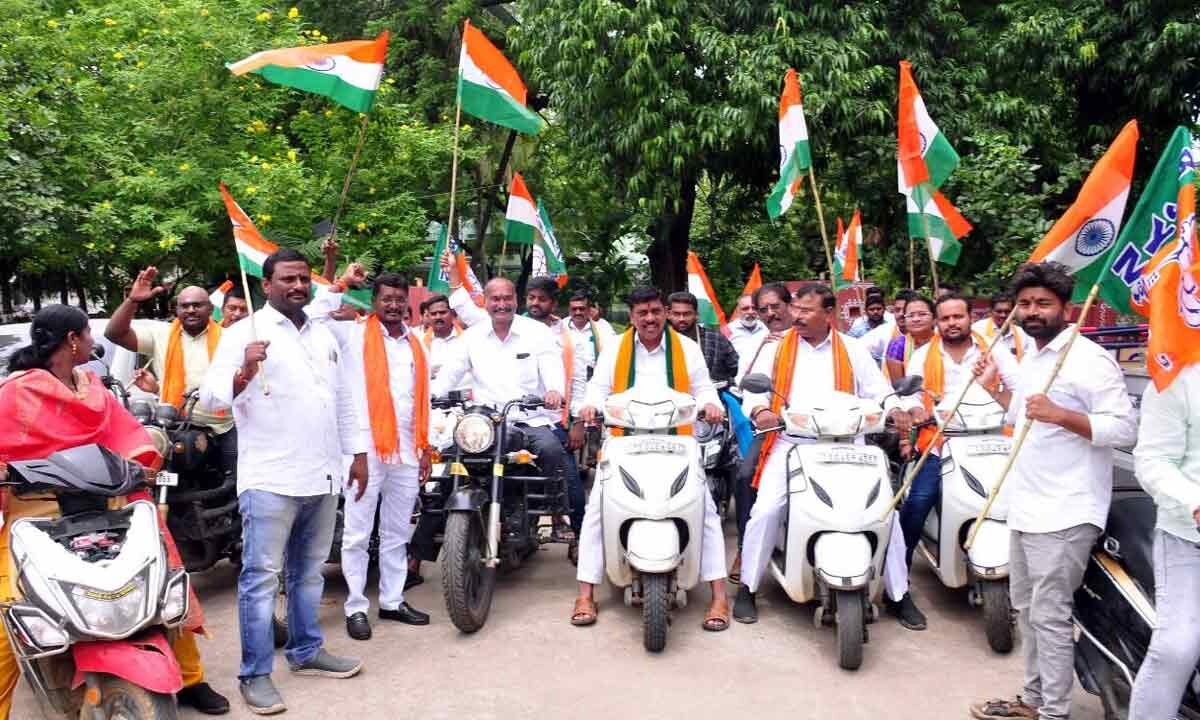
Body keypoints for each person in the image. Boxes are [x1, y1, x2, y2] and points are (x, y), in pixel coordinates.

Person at [0, 305, 228, 717]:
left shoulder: (92, 387)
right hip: (37, 511)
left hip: (105, 504)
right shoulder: (18, 391)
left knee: (164, 581)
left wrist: (143, 457)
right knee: (8, 611)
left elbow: (127, 432)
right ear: (73, 340)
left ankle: (192, 679)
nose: (92, 342)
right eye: (89, 335)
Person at [202, 248, 369, 715]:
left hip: (322, 472)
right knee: (260, 580)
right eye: (287, 280)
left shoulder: (324, 331)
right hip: (270, 478)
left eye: (303, 279)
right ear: (266, 285)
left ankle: (306, 651)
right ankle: (254, 674)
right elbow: (212, 397)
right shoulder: (243, 333)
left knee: (309, 573)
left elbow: (344, 399)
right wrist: (244, 371)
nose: (298, 286)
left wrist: (357, 454)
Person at [969, 262, 1136, 720]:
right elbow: (1023, 418)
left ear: (1066, 308)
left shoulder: (1088, 359)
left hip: (1067, 510)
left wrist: (1062, 414)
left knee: (1050, 615)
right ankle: (1034, 698)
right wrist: (995, 392)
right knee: (1027, 609)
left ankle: (1053, 713)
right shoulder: (1036, 359)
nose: (1032, 311)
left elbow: (1124, 428)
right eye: (1025, 304)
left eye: (1043, 303)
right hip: (1026, 506)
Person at [733, 283, 906, 623]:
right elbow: (754, 393)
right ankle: (748, 588)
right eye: (795, 309)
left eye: (805, 311)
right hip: (793, 442)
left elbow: (880, 391)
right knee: (766, 509)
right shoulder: (776, 348)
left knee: (887, 512)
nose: (795, 316)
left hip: (849, 445)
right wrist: (759, 412)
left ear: (829, 314)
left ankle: (900, 594)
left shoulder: (852, 349)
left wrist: (896, 409)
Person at [570, 286, 731, 631]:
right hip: (623, 441)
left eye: (656, 312)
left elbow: (703, 388)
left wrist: (711, 404)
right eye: (642, 313)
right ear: (631, 317)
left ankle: (719, 596)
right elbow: (598, 389)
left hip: (677, 442)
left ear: (666, 314)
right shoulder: (615, 348)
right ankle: (586, 592)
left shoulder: (687, 348)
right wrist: (589, 406)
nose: (650, 319)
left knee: (706, 510)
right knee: (597, 509)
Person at [307, 266, 434, 640]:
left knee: (397, 532)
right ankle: (357, 605)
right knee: (358, 533)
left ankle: (392, 601)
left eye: (399, 299)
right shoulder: (352, 334)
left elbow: (420, 399)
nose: (393, 305)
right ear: (374, 302)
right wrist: (341, 284)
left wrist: (425, 449)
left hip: (408, 450)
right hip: (364, 450)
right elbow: (313, 317)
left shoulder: (417, 343)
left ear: (407, 305)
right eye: (386, 299)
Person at [430, 277, 568, 540]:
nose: (502, 304)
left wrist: (553, 390)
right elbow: (450, 374)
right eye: (496, 299)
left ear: (516, 300)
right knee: (449, 461)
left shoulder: (537, 333)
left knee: (552, 452)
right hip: (485, 425)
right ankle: (438, 529)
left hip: (530, 420)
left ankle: (550, 513)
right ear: (486, 302)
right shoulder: (471, 337)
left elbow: (552, 366)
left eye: (507, 298)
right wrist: (430, 396)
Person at [891, 293, 990, 631]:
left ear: (970, 317)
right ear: (938, 322)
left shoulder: (992, 351)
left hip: (992, 440)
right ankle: (897, 589)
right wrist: (918, 412)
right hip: (939, 443)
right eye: (945, 318)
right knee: (917, 503)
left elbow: (1016, 389)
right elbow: (913, 396)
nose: (952, 323)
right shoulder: (922, 355)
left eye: (958, 317)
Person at [105, 268, 238, 493]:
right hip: (172, 426)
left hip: (220, 427)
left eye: (197, 305)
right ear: (175, 309)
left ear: (210, 308)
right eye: (184, 305)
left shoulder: (230, 338)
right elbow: (115, 334)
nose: (191, 310)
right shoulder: (161, 334)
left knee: (235, 484)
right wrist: (132, 301)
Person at [1128, 364, 1200, 718]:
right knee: (1178, 648)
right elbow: (1153, 461)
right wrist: (1194, 502)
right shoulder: (1177, 378)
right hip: (1188, 536)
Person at [523, 276, 588, 558]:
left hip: (554, 421)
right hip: (513, 418)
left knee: (570, 480)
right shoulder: (512, 328)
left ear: (553, 303)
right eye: (531, 298)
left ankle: (581, 539)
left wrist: (578, 424)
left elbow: (578, 383)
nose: (535, 304)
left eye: (542, 299)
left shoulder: (569, 339)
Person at [667, 291, 740, 386]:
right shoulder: (660, 340)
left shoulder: (716, 338)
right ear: (668, 314)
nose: (682, 319)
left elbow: (736, 369)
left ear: (696, 315)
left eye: (687, 314)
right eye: (677, 314)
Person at [886, 293, 936, 381]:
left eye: (922, 314)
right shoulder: (898, 346)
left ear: (934, 319)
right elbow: (900, 387)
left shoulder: (946, 342)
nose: (916, 319)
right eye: (910, 315)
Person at [973, 292, 1027, 360]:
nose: (1003, 315)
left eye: (1007, 311)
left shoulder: (1022, 334)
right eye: (999, 311)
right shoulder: (977, 330)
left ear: (1013, 312)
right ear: (991, 311)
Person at [727, 294, 767, 380]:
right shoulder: (727, 330)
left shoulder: (768, 329)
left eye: (754, 308)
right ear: (738, 311)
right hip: (737, 381)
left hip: (764, 379)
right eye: (745, 309)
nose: (750, 312)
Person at [864, 291, 910, 364]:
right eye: (897, 310)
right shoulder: (884, 331)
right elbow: (858, 349)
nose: (901, 314)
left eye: (905, 310)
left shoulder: (931, 334)